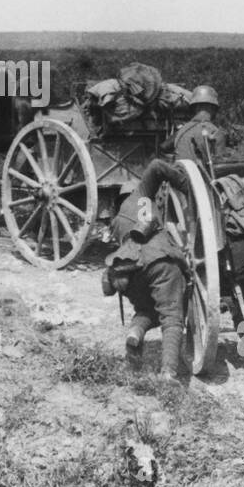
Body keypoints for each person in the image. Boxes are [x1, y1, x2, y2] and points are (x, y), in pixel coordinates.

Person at [101, 162, 191, 382]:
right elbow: (157, 166)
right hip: (158, 260)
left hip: (126, 270)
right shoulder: (141, 194)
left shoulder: (117, 222)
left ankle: (135, 332)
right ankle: (168, 372)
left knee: (147, 310)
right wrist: (188, 186)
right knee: (171, 315)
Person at [162, 85, 226, 169]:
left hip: (180, 177)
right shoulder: (215, 132)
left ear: (195, 108)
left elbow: (164, 148)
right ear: (212, 107)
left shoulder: (181, 131)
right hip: (202, 179)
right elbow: (220, 167)